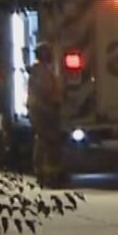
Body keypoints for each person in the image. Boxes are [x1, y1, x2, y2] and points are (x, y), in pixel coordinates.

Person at [27, 41, 66, 188]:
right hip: (44, 111)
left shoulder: (39, 70)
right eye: (48, 52)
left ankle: (44, 174)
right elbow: (48, 91)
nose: (50, 55)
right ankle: (49, 175)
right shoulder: (42, 72)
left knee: (44, 141)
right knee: (49, 142)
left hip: (40, 110)